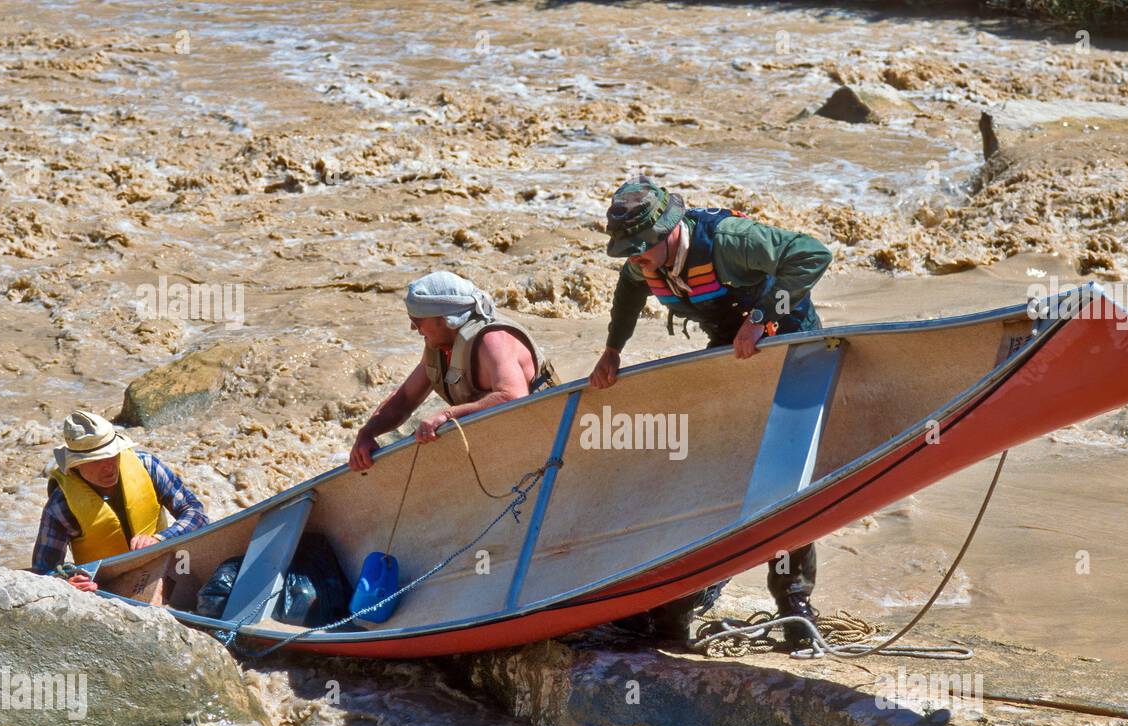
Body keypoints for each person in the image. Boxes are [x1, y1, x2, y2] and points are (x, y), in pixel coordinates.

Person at [590, 177, 833, 646]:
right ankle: (673, 609)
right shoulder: (643, 265)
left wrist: (763, 318)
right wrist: (613, 349)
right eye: (629, 253)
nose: (635, 262)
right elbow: (628, 289)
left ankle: (795, 610)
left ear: (668, 232)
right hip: (730, 354)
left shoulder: (730, 243)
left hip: (789, 347)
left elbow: (811, 254)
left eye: (640, 251)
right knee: (712, 474)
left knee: (783, 479)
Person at [349, 271, 556, 471]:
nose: (414, 328)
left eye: (418, 320)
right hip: (500, 442)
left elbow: (514, 398)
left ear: (446, 319)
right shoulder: (440, 345)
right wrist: (367, 433)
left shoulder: (493, 340)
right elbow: (403, 400)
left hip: (547, 434)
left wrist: (447, 414)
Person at [32, 411, 209, 595]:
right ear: (75, 464)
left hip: (164, 567)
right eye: (97, 460)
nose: (108, 466)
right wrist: (68, 582)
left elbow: (197, 514)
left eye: (112, 455)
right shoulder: (60, 506)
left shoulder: (148, 466)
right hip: (105, 589)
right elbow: (43, 571)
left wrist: (160, 538)